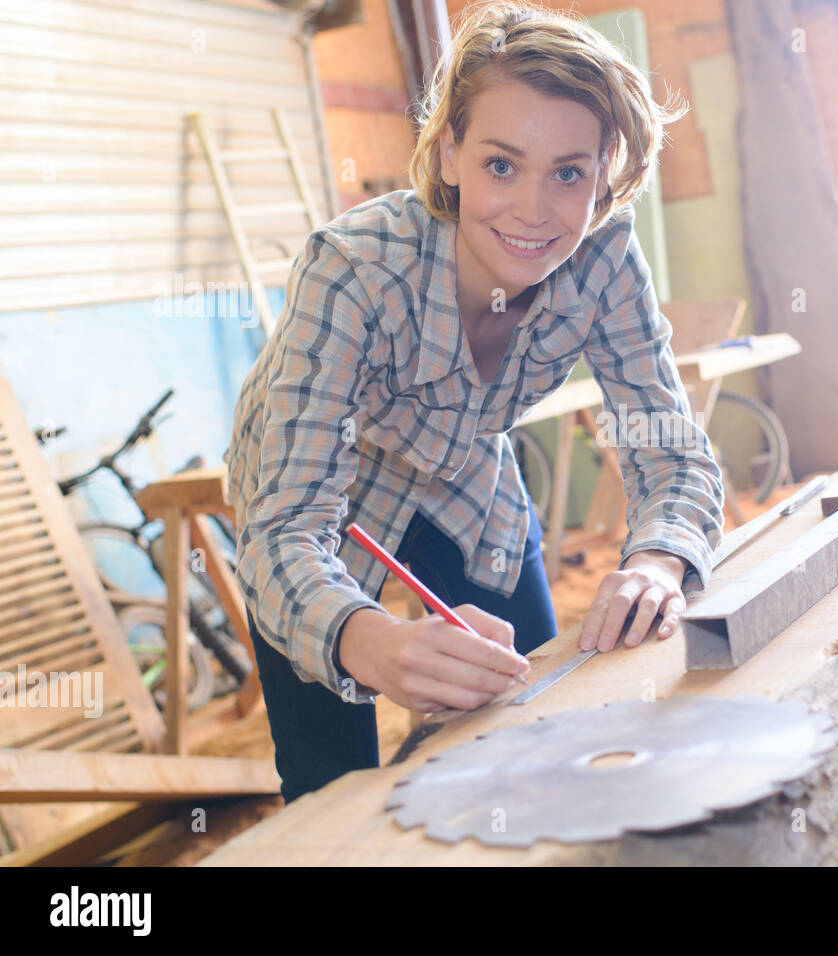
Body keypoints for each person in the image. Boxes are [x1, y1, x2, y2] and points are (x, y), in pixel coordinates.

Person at [222, 0, 726, 803]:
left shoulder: (604, 262)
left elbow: (669, 448)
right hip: (317, 497)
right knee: (328, 783)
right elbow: (284, 530)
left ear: (605, 176)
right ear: (450, 152)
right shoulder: (351, 271)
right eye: (501, 165)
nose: (533, 210)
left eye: (569, 173)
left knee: (537, 725)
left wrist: (659, 560)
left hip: (466, 475)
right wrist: (367, 639)